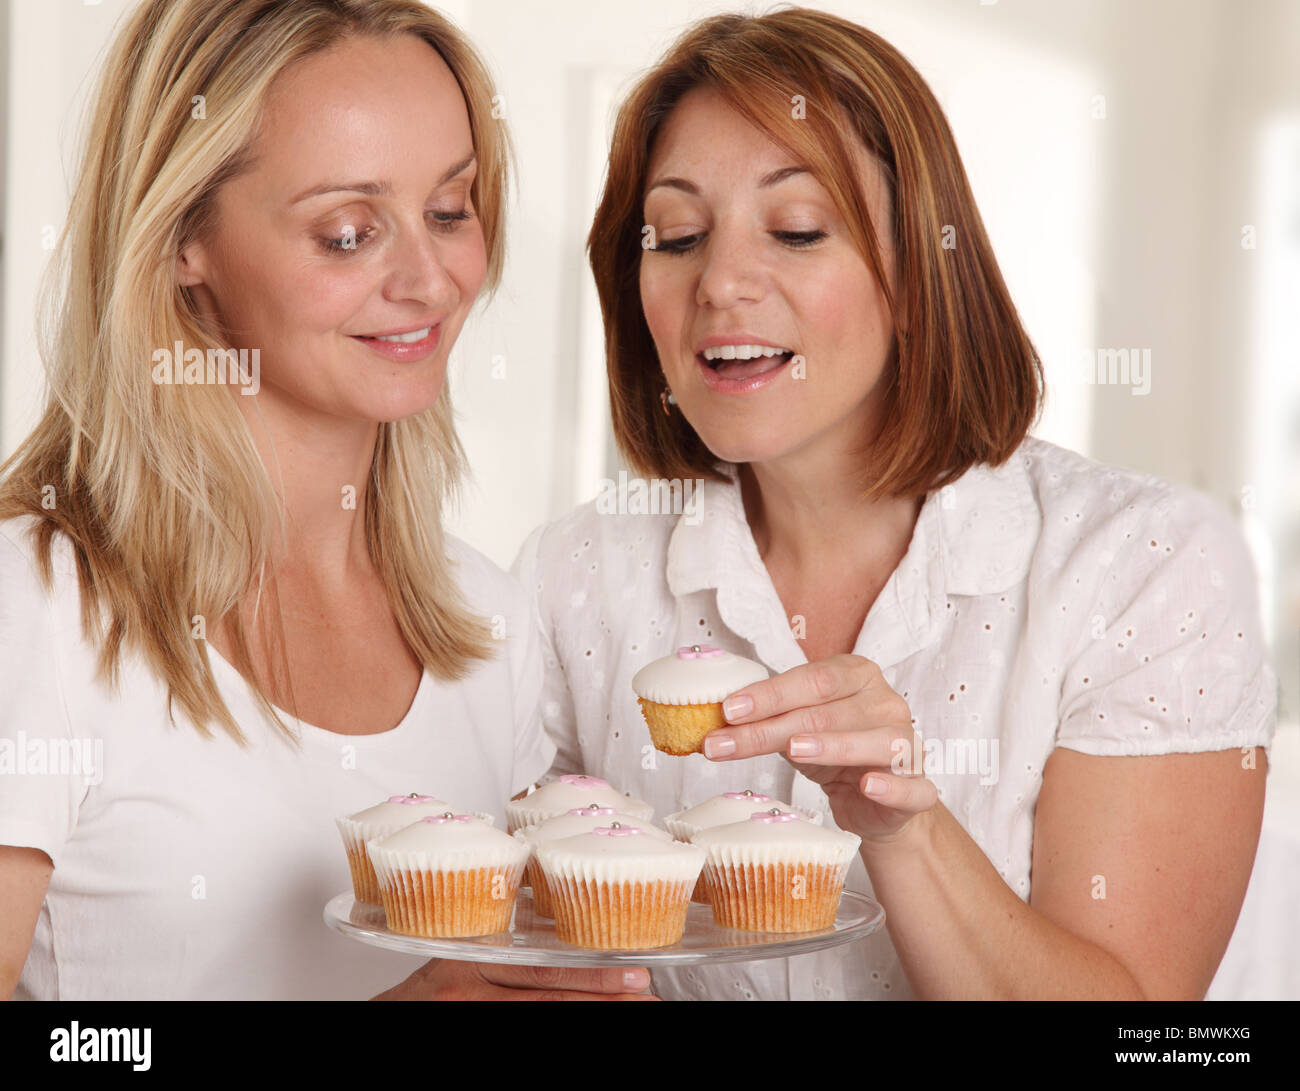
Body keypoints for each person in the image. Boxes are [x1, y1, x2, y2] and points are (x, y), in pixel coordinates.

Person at [513, 7, 1278, 1001]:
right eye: (677, 235)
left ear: (920, 270)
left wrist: (905, 827)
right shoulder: (572, 574)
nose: (721, 282)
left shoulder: (1145, 565)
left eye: (794, 229)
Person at [0, 0, 650, 1002]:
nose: (430, 280)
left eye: (450, 210)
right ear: (184, 240)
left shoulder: (488, 626)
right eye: (348, 233)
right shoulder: (37, 604)